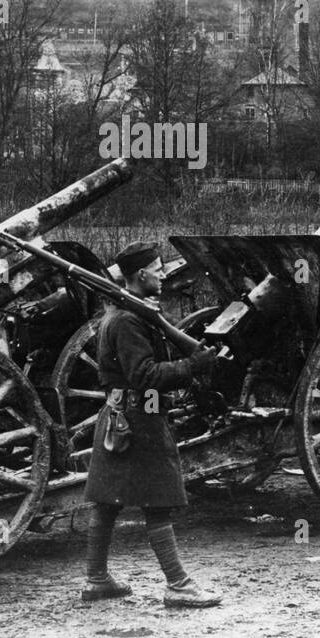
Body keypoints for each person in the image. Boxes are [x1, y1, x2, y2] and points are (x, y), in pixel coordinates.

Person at [80, 240, 222, 608]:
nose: (163, 274)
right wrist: (193, 366)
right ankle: (178, 585)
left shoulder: (123, 313)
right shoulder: (128, 320)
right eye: (158, 268)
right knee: (158, 502)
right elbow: (144, 375)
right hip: (139, 418)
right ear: (141, 274)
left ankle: (97, 580)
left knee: (107, 502)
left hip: (118, 416)